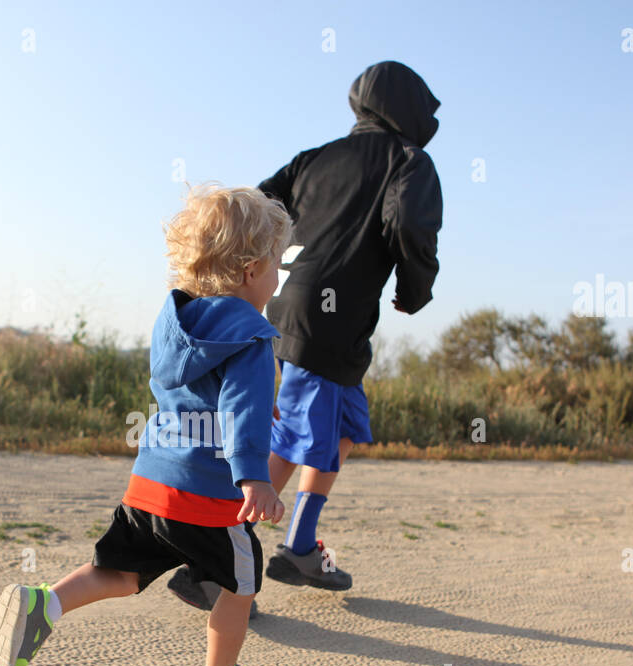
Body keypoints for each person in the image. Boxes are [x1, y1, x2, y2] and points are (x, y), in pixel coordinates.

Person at [0, 183, 294, 666]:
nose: (277, 276)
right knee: (239, 584)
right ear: (250, 271)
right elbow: (240, 413)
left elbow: (200, 393)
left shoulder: (174, 323)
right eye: (276, 265)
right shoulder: (251, 336)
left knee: (123, 572)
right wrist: (254, 477)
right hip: (209, 492)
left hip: (151, 482)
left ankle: (46, 603)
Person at [168, 60, 443, 607]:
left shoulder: (315, 159)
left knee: (340, 429)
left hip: (305, 307)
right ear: (407, 107)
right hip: (326, 320)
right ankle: (212, 559)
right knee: (293, 438)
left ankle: (297, 546)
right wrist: (416, 288)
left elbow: (256, 206)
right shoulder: (411, 161)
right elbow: (411, 222)